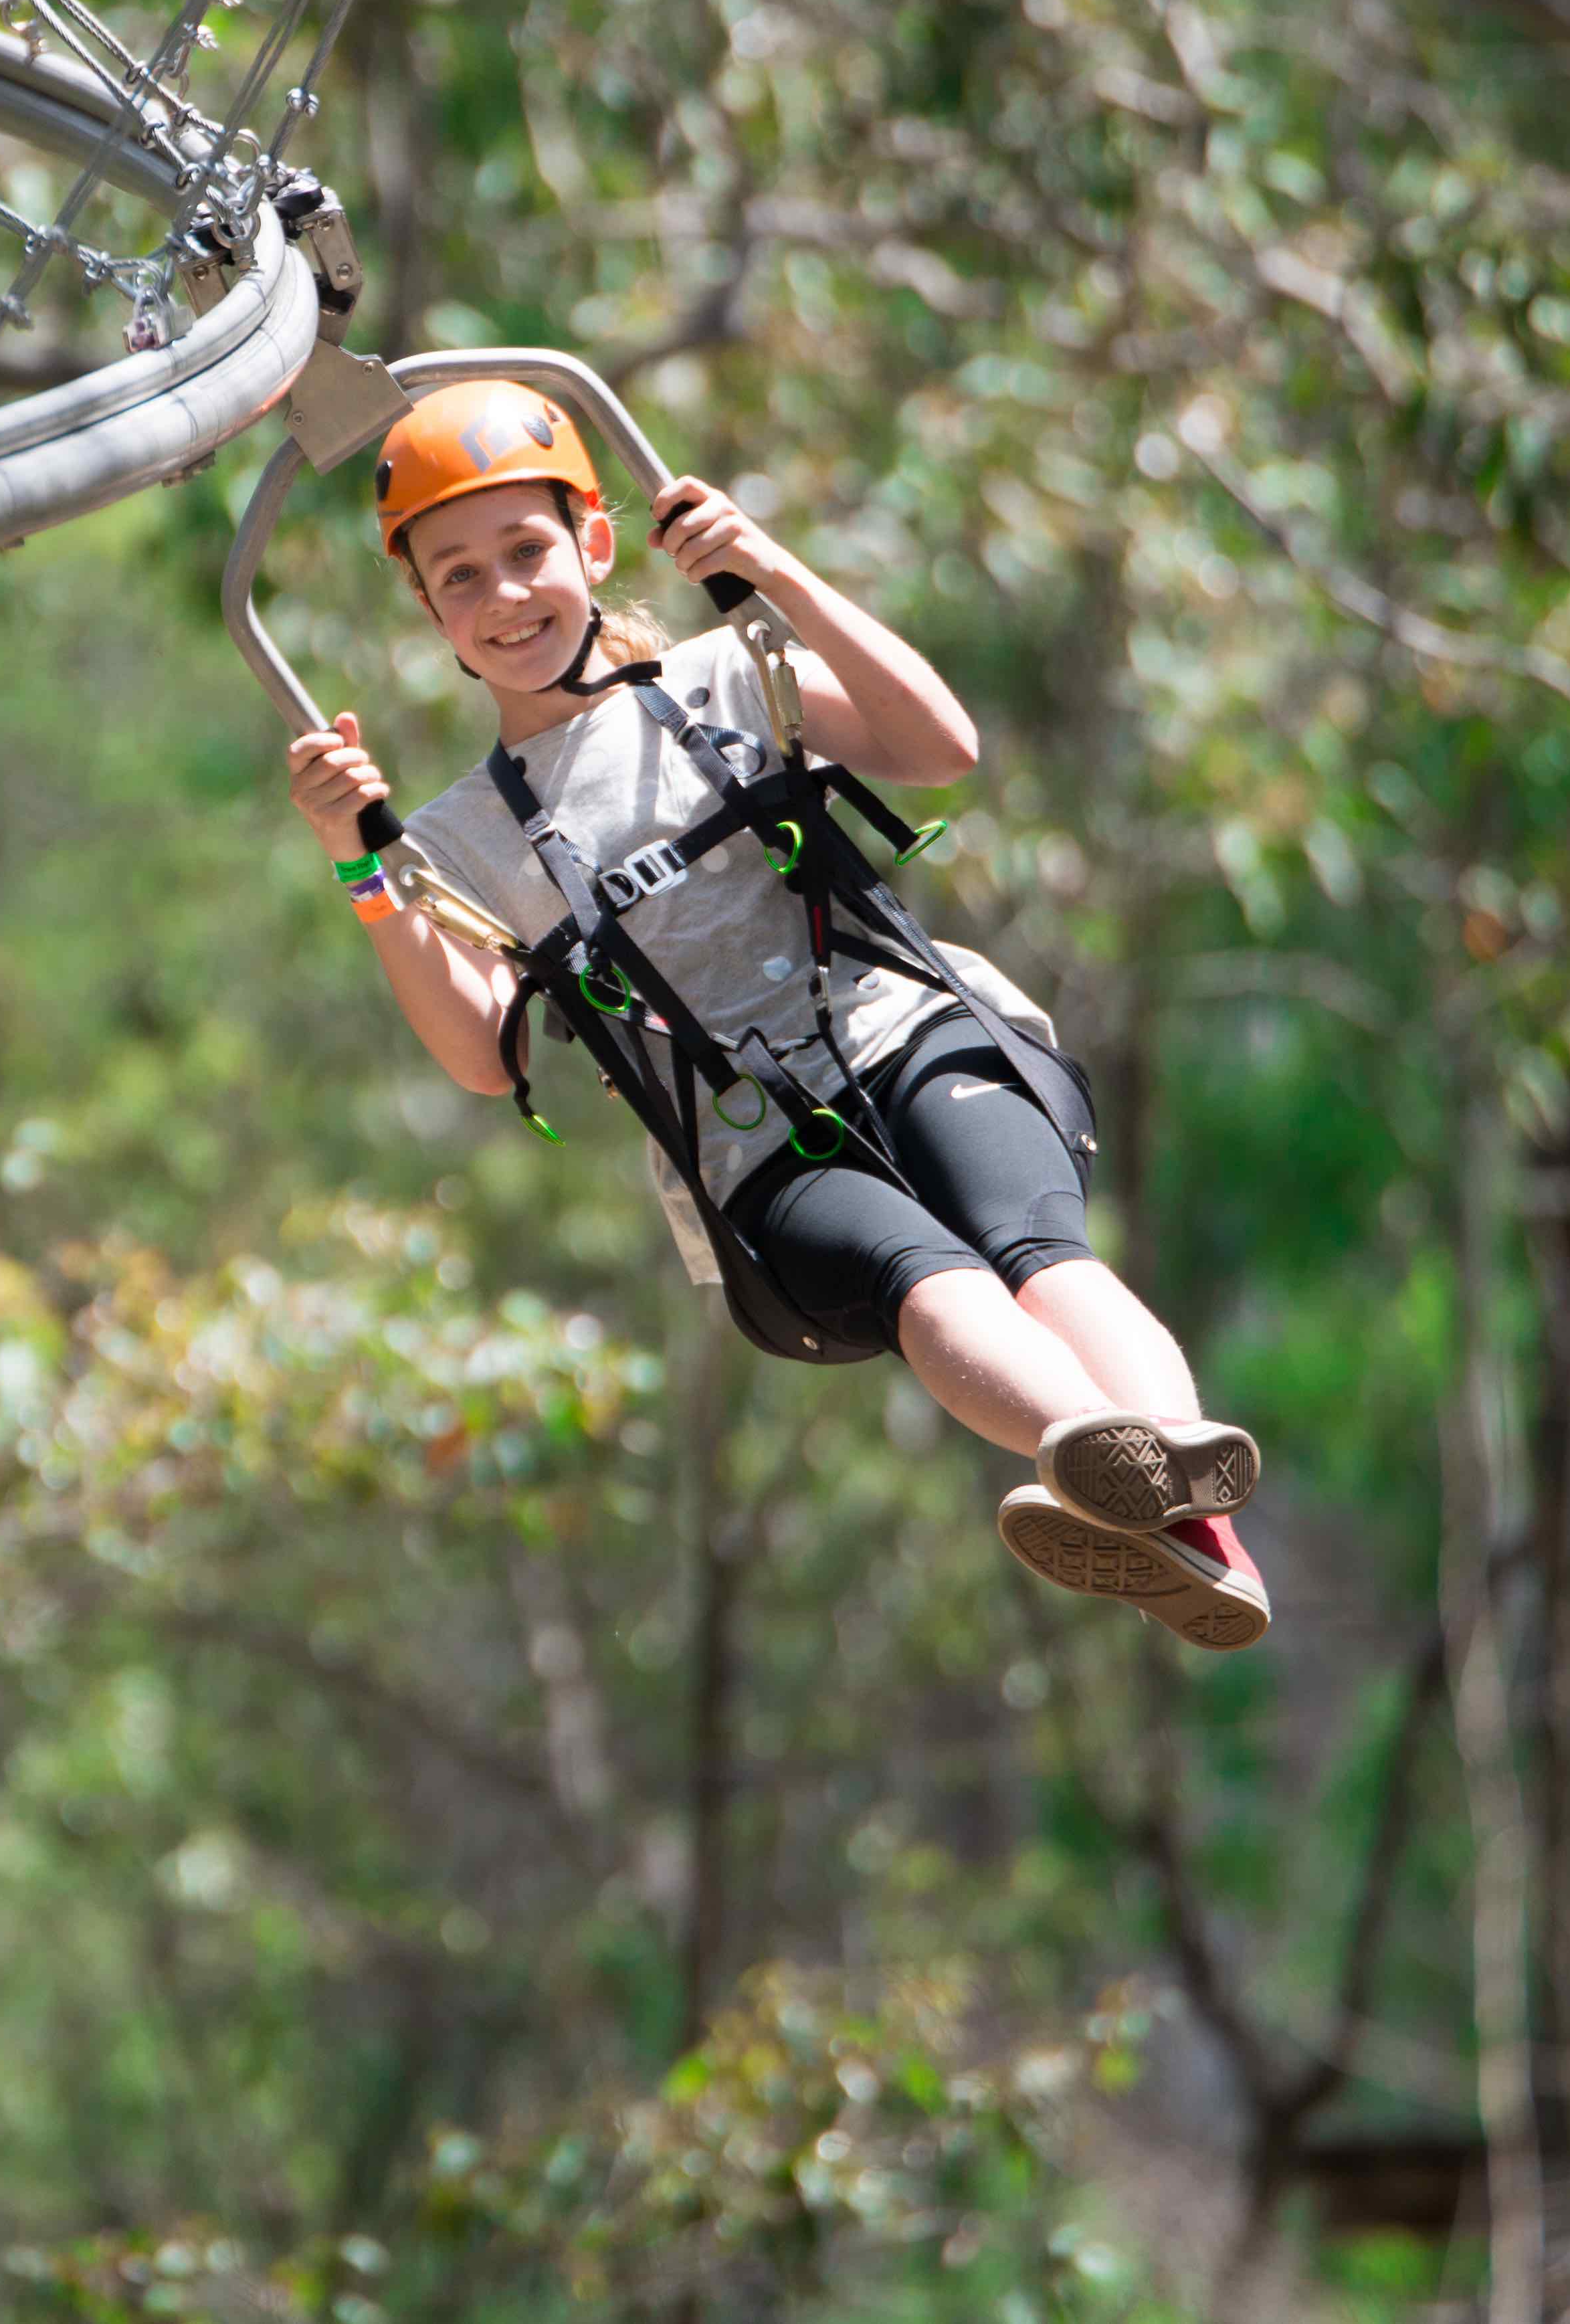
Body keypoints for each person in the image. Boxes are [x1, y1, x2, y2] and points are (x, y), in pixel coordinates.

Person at [282, 379, 1270, 1650]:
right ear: (429, 611)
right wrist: (362, 867)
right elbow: (482, 1056)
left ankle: (1176, 1497)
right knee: (924, 1283)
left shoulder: (732, 674)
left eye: (526, 552)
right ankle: (1114, 1470)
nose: (505, 597)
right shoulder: (460, 840)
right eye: (459, 577)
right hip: (750, 1135)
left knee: (1037, 1247)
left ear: (593, 540)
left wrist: (772, 572)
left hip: (900, 1023)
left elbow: (939, 746)